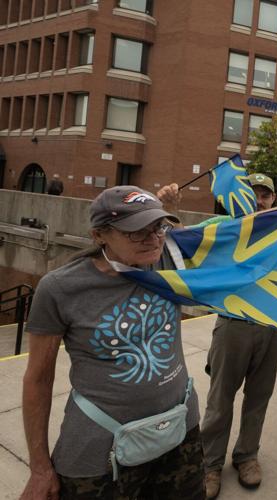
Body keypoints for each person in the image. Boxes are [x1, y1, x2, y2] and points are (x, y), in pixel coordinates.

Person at [161, 153, 277, 499]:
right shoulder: (220, 229)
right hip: (233, 327)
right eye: (251, 191)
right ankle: (210, 464)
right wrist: (167, 207)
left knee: (259, 397)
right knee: (220, 400)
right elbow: (179, 239)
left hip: (272, 327)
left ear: (273, 199)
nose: (257, 199)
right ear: (236, 195)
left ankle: (247, 456)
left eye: (265, 194)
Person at [21, 185, 205, 499]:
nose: (153, 238)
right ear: (99, 236)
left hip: (179, 432)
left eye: (158, 227)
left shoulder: (167, 261)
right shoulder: (60, 288)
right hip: (101, 452)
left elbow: (238, 243)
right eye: (136, 231)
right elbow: (38, 379)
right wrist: (39, 467)